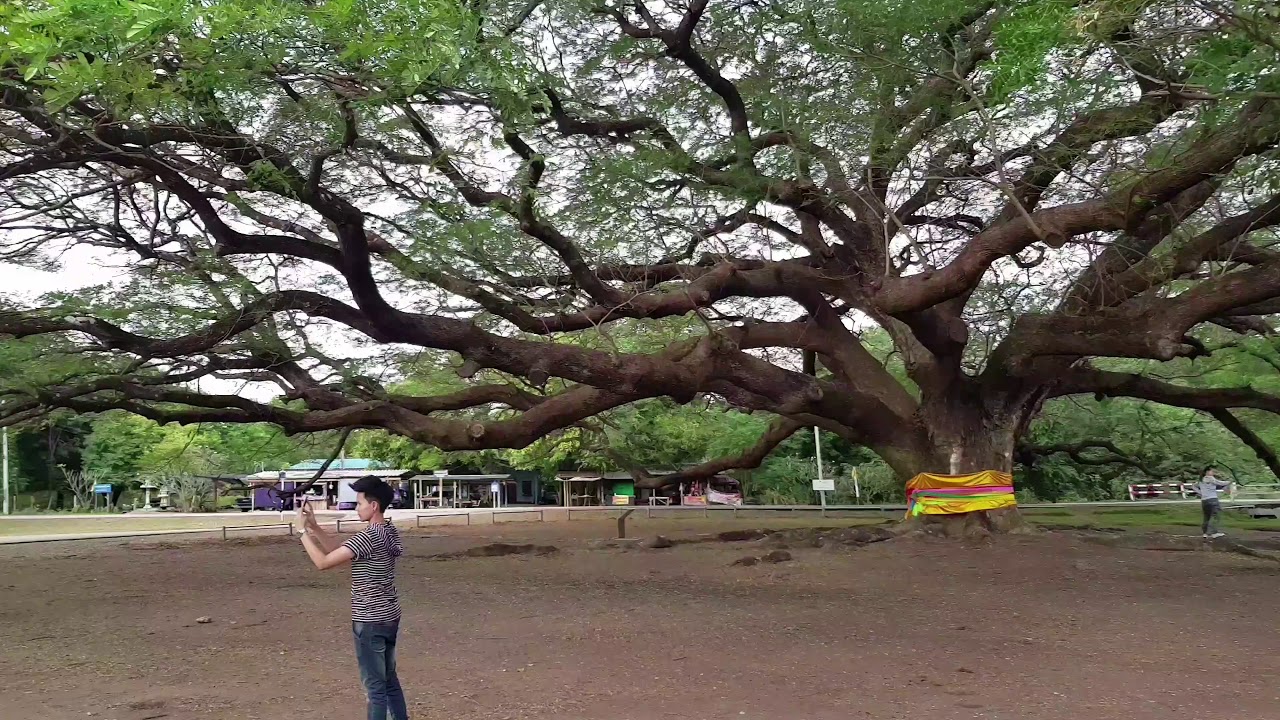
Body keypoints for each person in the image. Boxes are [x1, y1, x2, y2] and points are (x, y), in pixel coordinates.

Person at [298, 475, 408, 720]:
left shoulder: (368, 537)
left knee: (375, 688)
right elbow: (342, 551)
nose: (357, 508)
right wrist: (315, 527)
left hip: (369, 620)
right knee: (389, 680)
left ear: (374, 506)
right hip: (389, 616)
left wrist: (301, 532)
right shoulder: (388, 532)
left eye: (359, 503)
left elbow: (323, 562)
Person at [1197, 467, 1232, 539]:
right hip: (1213, 499)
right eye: (1212, 471)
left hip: (1204, 500)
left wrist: (1201, 493)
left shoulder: (1200, 480)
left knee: (1206, 516)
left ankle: (1205, 533)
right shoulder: (1210, 478)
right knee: (1216, 515)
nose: (1213, 473)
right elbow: (1219, 483)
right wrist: (1229, 482)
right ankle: (1214, 532)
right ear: (1207, 472)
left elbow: (1193, 486)